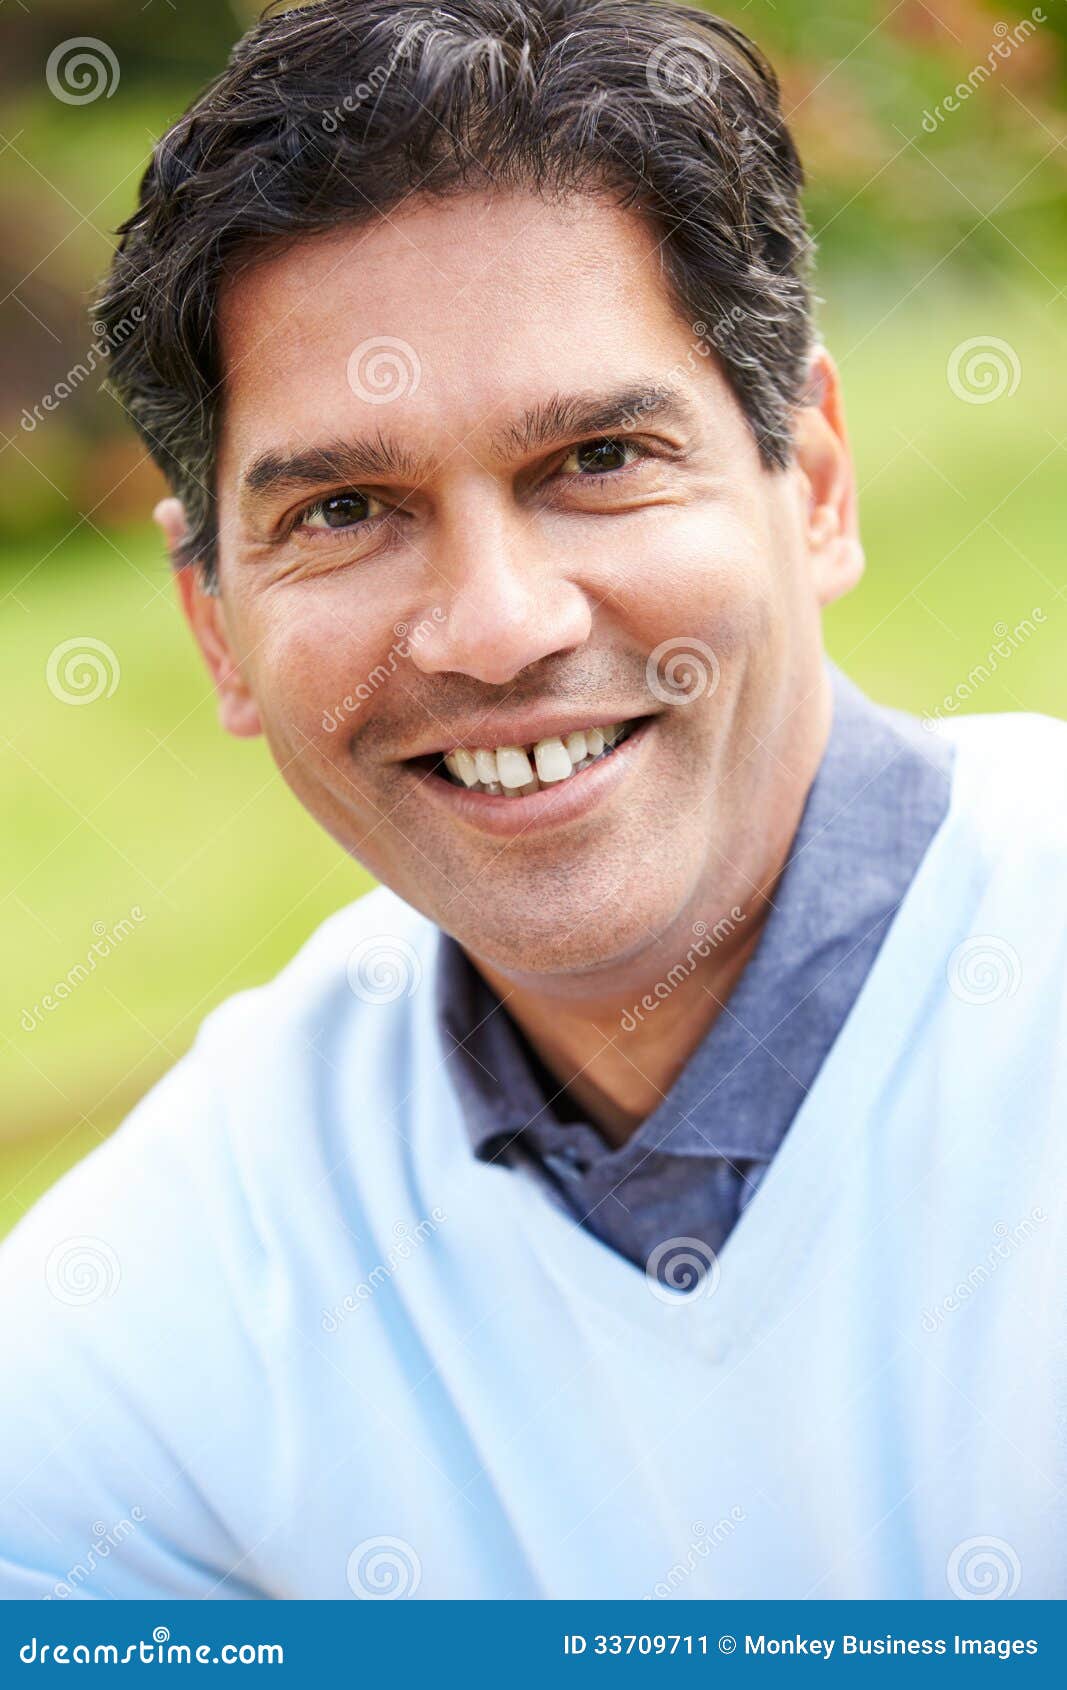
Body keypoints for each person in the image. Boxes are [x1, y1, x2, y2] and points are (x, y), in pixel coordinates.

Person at [2, 0, 1064, 1602]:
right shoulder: (154, 1301)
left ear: (817, 480)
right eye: (347, 509)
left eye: (599, 457)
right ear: (216, 621)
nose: (499, 626)